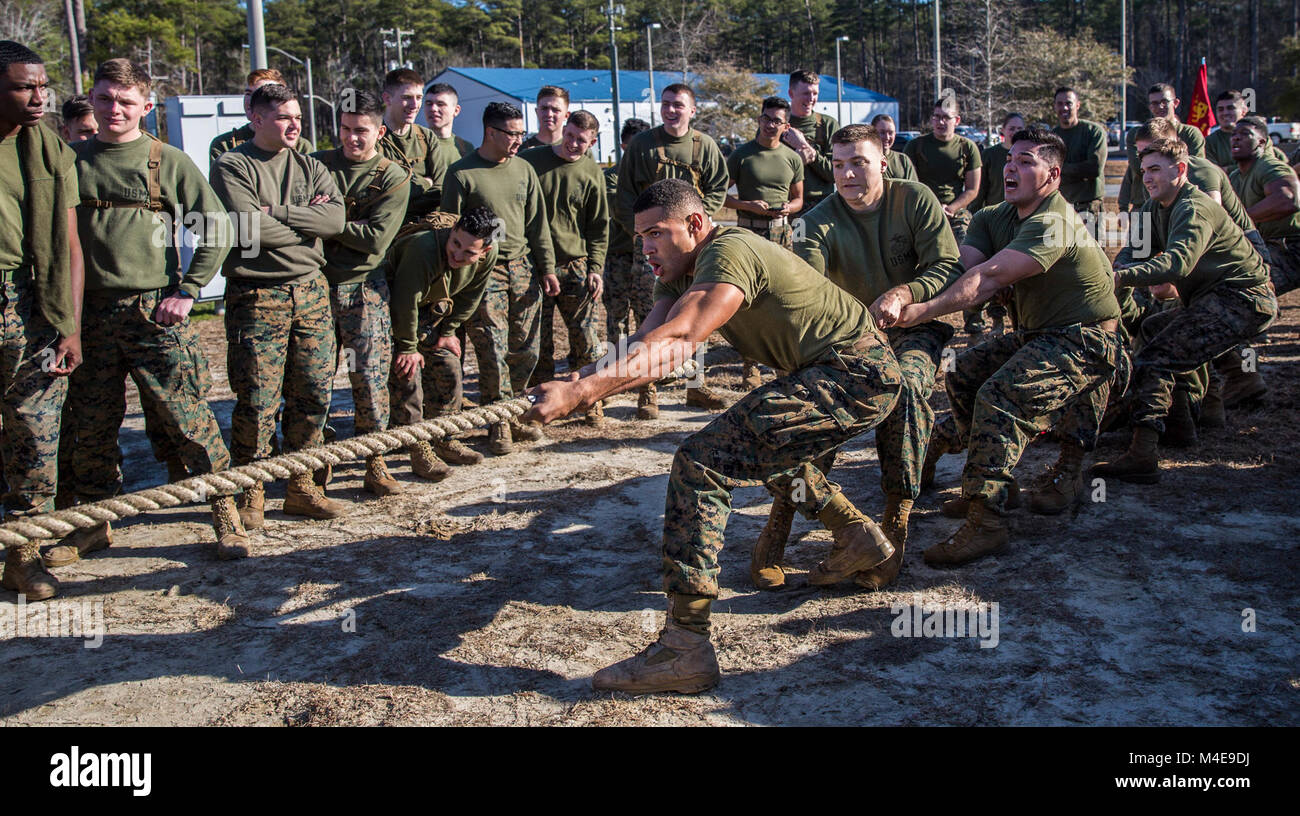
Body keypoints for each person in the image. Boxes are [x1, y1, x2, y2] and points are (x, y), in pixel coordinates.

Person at [523, 179, 904, 695]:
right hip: (828, 374)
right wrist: (581, 381)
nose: (647, 248)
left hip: (856, 373)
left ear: (697, 224)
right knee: (756, 446)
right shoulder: (677, 276)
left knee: (702, 462)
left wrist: (586, 392)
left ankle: (685, 648)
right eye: (640, 237)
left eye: (657, 233)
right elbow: (646, 344)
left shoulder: (729, 251)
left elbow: (680, 342)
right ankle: (855, 535)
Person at [884, 127, 1123, 564]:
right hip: (1040, 333)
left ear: (1051, 176)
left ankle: (987, 520)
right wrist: (907, 292)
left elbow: (989, 278)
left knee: (1000, 396)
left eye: (1026, 161)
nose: (1011, 167)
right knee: (962, 373)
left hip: (1087, 338)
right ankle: (995, 483)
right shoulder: (993, 217)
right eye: (1010, 158)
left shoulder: (1055, 222)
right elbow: (961, 267)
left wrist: (922, 313)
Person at [62, 58, 246, 565]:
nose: (113, 109)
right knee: (91, 425)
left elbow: (218, 227)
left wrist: (187, 289)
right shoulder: (69, 160)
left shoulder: (166, 160)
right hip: (87, 313)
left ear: (146, 106)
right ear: (92, 101)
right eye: (104, 99)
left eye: (125, 101)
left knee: (188, 415)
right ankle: (93, 522)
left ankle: (223, 510)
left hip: (152, 311)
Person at [794, 124, 961, 591]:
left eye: (859, 162)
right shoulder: (818, 218)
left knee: (904, 389)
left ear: (883, 161)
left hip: (915, 326)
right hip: (853, 335)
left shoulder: (914, 199)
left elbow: (949, 265)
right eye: (839, 164)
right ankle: (792, 521)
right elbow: (807, 283)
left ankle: (897, 516)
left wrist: (905, 291)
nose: (848, 174)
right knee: (808, 395)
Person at [1093, 138, 1276, 484]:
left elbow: (1179, 262)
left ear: (1179, 170)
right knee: (1152, 331)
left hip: (1243, 298)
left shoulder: (1195, 207)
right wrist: (1111, 279)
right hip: (1211, 300)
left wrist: (1120, 277)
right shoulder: (1152, 208)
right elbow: (1133, 254)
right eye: (1143, 171)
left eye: (1155, 170)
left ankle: (1143, 453)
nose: (1146, 178)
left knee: (1158, 356)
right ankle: (1180, 427)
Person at [209, 83, 346, 526]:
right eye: (284, 117)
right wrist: (306, 225)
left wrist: (280, 213)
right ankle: (252, 490)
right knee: (257, 398)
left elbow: (336, 220)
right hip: (257, 294)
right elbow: (250, 230)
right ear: (258, 119)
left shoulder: (311, 166)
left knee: (312, 392)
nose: (294, 126)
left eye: (298, 118)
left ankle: (301, 485)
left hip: (310, 291)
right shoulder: (233, 164)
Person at [0, 41, 84, 601]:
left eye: (42, 85)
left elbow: (70, 244)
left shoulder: (50, 148)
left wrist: (70, 324)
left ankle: (24, 557)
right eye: (23, 86)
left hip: (28, 299)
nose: (38, 97)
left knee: (34, 430)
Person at [310, 89, 414, 492]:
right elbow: (298, 220)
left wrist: (327, 221)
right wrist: (317, 219)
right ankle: (311, 465)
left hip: (364, 290)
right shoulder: (317, 165)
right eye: (347, 130)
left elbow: (374, 240)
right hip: (316, 287)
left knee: (368, 377)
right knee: (312, 380)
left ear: (380, 131)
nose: (353, 139)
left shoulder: (392, 176)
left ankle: (375, 460)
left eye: (363, 131)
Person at [441, 101, 557, 455]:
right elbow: (449, 227)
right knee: (492, 347)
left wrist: (548, 268)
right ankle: (498, 422)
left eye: (522, 133)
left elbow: (538, 224)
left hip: (522, 268)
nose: (519, 140)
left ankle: (516, 410)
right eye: (512, 134)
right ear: (491, 132)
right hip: (481, 271)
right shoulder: (462, 173)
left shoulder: (523, 170)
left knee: (525, 346)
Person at [614, 83, 731, 412]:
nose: (670, 110)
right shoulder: (642, 146)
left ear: (692, 110)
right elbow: (624, 195)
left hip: (695, 247)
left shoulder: (704, 146)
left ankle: (697, 386)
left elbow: (717, 189)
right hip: (652, 247)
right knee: (651, 313)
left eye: (678, 105)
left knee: (697, 315)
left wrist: (698, 230)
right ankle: (647, 391)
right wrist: (643, 236)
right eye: (665, 104)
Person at [389, 208, 499, 463]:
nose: (457, 255)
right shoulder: (422, 249)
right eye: (455, 243)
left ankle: (445, 438)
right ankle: (418, 449)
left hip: (428, 310)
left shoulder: (487, 259)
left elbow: (471, 296)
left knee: (449, 367)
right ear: (452, 232)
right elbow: (404, 301)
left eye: (468, 253)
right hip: (396, 308)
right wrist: (407, 347)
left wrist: (448, 331)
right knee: (408, 374)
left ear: (485, 252)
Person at [521, 110, 608, 423]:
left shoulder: (591, 172)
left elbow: (598, 226)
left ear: (592, 142)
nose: (572, 144)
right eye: (569, 136)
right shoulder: (530, 160)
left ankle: (589, 399)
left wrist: (595, 267)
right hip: (533, 266)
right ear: (564, 129)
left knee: (585, 340)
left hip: (575, 266)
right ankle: (539, 405)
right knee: (537, 341)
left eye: (581, 140)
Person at [905, 94, 985, 333]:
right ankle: (913, 316)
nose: (941, 122)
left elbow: (972, 189)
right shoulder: (916, 146)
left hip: (955, 211)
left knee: (970, 261)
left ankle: (974, 319)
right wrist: (930, 207)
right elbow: (909, 182)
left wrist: (951, 209)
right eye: (936, 117)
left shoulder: (967, 147)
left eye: (946, 118)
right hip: (922, 211)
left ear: (957, 120)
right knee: (910, 259)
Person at [601, 118, 658, 419]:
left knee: (647, 322)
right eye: (634, 144)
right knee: (616, 323)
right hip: (618, 257)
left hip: (647, 260)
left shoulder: (653, 182)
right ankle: (609, 383)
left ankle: (646, 391)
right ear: (624, 145)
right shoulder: (610, 178)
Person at [725, 96, 804, 249]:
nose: (770, 125)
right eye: (766, 119)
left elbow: (798, 199)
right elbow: (720, 195)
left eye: (776, 121)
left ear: (786, 127)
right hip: (747, 233)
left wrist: (789, 208)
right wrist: (748, 206)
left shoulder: (793, 158)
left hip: (781, 233)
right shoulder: (741, 155)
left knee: (782, 274)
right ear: (759, 120)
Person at [1119, 82, 1206, 211]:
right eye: (1154, 103)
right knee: (1140, 232)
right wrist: (1123, 206)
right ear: (1149, 107)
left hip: (1180, 204)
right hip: (1142, 205)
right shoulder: (1138, 134)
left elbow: (1195, 169)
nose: (1160, 106)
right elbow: (1135, 169)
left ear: (1175, 103)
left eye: (1165, 101)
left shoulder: (1190, 134)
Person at [209, 68, 314, 162]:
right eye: (248, 93)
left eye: (261, 95)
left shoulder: (300, 146)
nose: (251, 100)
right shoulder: (226, 144)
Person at [378, 68, 442, 219]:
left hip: (425, 224)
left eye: (419, 98)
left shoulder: (427, 137)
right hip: (387, 225)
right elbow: (378, 195)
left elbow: (441, 189)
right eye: (407, 97)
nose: (415, 105)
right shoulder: (374, 138)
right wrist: (425, 183)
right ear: (387, 99)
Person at [782, 70, 838, 214]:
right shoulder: (777, 125)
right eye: (806, 93)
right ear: (791, 93)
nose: (811, 99)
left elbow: (835, 173)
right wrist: (797, 160)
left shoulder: (827, 125)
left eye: (815, 93)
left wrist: (805, 147)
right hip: (786, 207)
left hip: (821, 207)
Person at [1051, 87, 1109, 215]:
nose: (1064, 108)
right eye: (1060, 104)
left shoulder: (1093, 132)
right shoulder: (1051, 137)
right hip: (1060, 206)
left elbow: (1094, 168)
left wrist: (1060, 169)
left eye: (1068, 103)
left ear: (1077, 105)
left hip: (1089, 206)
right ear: (1054, 106)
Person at [420, 82, 475, 203]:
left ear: (456, 110)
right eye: (429, 104)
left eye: (441, 104)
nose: (433, 109)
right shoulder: (416, 144)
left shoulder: (465, 148)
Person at [1206, 90, 1288, 170]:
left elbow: (1265, 165)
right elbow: (1213, 173)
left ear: (1244, 111)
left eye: (1230, 108)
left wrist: (1228, 169)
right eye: (1220, 109)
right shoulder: (1209, 143)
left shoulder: (1259, 136)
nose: (1225, 113)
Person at [976, 112, 1025, 210]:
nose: (1016, 132)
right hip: (995, 213)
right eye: (1012, 128)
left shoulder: (1028, 157)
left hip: (1021, 213)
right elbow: (980, 189)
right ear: (1003, 130)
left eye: (1019, 129)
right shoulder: (989, 154)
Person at [521, 85, 568, 150]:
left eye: (555, 109)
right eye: (544, 108)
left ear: (566, 115)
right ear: (536, 112)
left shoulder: (573, 150)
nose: (549, 114)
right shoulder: (520, 151)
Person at [871, 113, 916, 181]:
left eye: (890, 133)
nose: (887, 137)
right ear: (872, 133)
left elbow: (913, 187)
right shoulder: (865, 161)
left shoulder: (903, 160)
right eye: (882, 132)